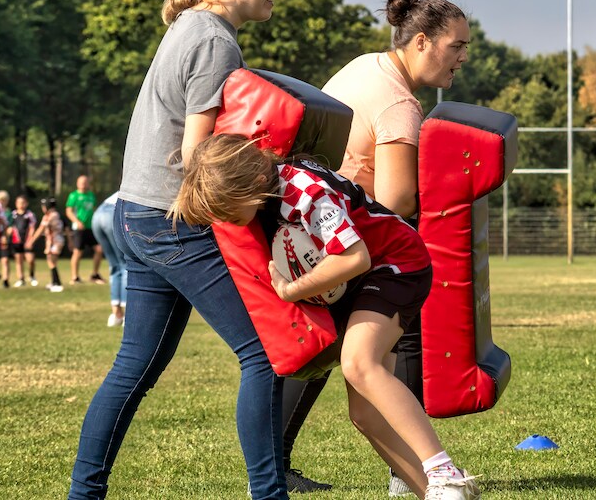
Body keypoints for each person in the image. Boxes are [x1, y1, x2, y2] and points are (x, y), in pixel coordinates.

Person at [68, 0, 291, 500]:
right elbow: (197, 156)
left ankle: (83, 493)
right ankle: (270, 494)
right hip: (171, 221)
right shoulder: (216, 39)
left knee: (133, 368)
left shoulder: (191, 24)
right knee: (265, 353)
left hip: (136, 215)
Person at [172, 133, 481, 500]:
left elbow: (355, 258)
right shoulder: (265, 193)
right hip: (360, 280)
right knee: (364, 415)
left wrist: (292, 291)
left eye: (227, 209)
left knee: (359, 363)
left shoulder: (305, 192)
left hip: (396, 264)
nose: (224, 220)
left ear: (254, 182)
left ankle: (444, 473)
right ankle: (436, 493)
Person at [281, 0, 469, 496]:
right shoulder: (399, 102)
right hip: (362, 242)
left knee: (339, 365)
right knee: (364, 360)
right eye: (456, 45)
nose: (463, 56)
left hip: (318, 227)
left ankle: (425, 479)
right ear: (423, 42)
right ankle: (431, 473)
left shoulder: (366, 66)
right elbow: (395, 199)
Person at [90, 194, 127, 327]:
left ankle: (116, 315)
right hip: (113, 213)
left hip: (98, 215)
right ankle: (128, 316)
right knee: (126, 265)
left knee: (114, 266)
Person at [66, 174, 105, 284]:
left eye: (85, 182)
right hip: (79, 229)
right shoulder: (73, 196)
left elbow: (93, 210)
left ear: (88, 184)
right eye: (81, 182)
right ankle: (75, 277)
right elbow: (68, 211)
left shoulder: (91, 196)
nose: (83, 184)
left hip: (91, 228)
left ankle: (95, 275)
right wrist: (77, 222)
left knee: (99, 250)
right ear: (77, 184)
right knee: (78, 252)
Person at [29, 198, 66, 292]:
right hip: (56, 241)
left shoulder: (49, 216)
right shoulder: (56, 214)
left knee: (51, 262)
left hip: (54, 241)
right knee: (52, 262)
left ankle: (57, 283)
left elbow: (41, 228)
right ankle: (54, 282)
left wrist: (32, 240)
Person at [8, 194, 37, 287]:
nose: (21, 204)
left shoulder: (29, 215)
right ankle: (21, 278)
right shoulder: (13, 215)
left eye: (23, 203)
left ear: (26, 204)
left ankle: (32, 276)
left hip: (27, 240)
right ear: (16, 204)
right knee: (19, 260)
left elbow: (32, 227)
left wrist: (30, 239)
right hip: (16, 241)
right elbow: (9, 226)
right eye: (19, 203)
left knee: (30, 259)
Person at [0, 190, 10, 288]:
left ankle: (6, 280)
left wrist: (4, 236)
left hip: (0, 236)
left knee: (4, 259)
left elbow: (4, 223)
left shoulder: (0, 209)